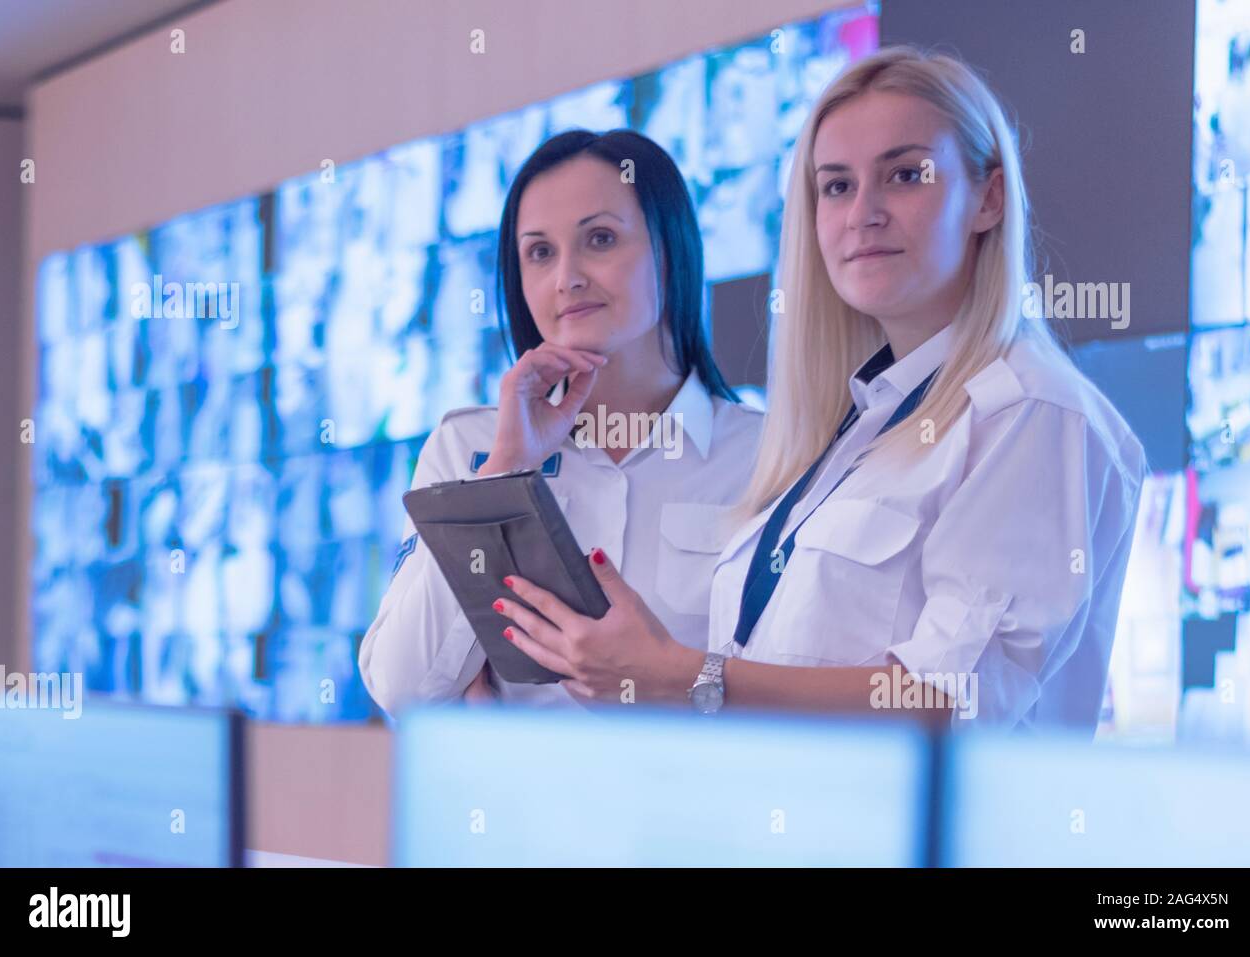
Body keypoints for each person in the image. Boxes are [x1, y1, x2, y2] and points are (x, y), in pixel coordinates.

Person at [493, 46, 1149, 735]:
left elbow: (952, 699)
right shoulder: (859, 429)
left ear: (988, 198)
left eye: (904, 175)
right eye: (836, 186)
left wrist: (680, 673)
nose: (863, 213)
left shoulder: (1028, 411)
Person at [359, 129, 763, 714]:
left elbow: (792, 688)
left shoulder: (770, 455)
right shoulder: (467, 448)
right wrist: (504, 474)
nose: (566, 277)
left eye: (600, 239)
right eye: (539, 252)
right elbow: (402, 690)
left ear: (670, 250)